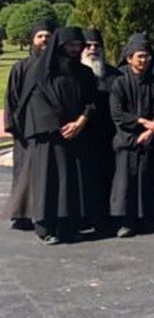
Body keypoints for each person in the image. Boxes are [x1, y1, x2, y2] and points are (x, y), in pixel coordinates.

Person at [9, 27, 96, 244]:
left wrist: (80, 122)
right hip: (48, 138)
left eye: (79, 45)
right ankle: (46, 228)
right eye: (71, 45)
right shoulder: (40, 73)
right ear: (61, 46)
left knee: (71, 182)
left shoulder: (84, 73)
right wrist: (59, 126)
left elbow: (91, 102)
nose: (76, 50)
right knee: (48, 181)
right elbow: (35, 102)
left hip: (75, 136)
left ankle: (70, 226)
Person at [109, 34, 154, 237]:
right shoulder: (119, 84)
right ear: (129, 58)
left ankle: (149, 220)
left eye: (147, 56)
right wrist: (142, 123)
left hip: (150, 141)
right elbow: (117, 114)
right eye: (140, 56)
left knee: (148, 181)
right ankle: (127, 223)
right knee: (127, 183)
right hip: (127, 140)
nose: (144, 60)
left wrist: (151, 131)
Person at [4, 18, 56, 230]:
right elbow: (12, 98)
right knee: (24, 173)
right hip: (25, 129)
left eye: (48, 36)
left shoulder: (56, 67)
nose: (44, 40)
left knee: (46, 174)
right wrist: (13, 126)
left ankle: (46, 214)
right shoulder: (20, 67)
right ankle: (22, 214)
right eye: (40, 36)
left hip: (47, 128)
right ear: (33, 40)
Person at [80, 28, 122, 230]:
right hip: (82, 136)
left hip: (108, 135)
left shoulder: (114, 75)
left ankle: (104, 218)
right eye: (88, 46)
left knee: (106, 177)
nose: (92, 49)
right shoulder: (75, 74)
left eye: (97, 46)